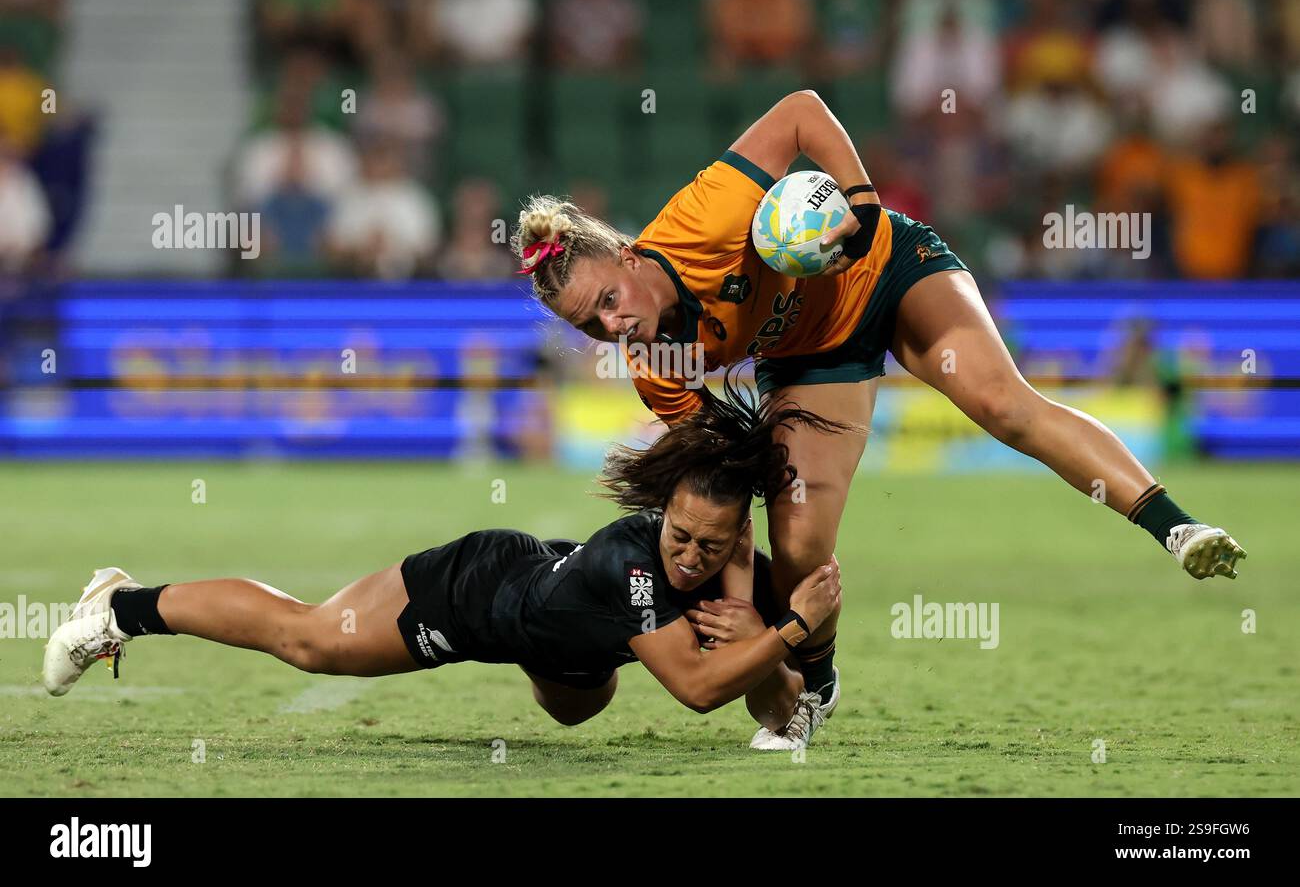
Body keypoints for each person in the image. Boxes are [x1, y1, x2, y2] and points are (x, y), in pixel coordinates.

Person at [511, 89, 1248, 749]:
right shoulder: (655, 369)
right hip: (811, 358)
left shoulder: (705, 215)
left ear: (624, 254)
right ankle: (820, 688)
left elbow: (801, 109)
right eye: (593, 328)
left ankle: (1178, 528)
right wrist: (741, 610)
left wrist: (860, 206)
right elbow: (722, 483)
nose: (615, 327)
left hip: (888, 268)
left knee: (1001, 404)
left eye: (609, 302)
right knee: (796, 539)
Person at [43, 378, 844, 742]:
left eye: (712, 543)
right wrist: (790, 631)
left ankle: (558, 639)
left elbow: (776, 712)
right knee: (310, 639)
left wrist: (757, 638)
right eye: (679, 535)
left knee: (576, 710)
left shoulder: (730, 549)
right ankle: (120, 606)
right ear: (660, 510)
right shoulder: (635, 565)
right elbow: (703, 693)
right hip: (471, 593)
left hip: (560, 634)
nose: (692, 556)